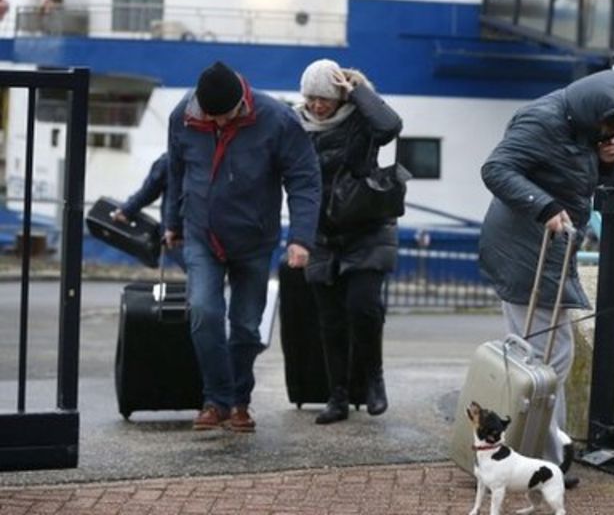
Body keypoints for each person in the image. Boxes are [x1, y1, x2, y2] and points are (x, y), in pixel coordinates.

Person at [479, 69, 614, 488]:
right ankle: (545, 457)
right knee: (547, 356)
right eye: (604, 130)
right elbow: (495, 168)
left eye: (613, 132)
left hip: (546, 249)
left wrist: (607, 162)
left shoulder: (583, 126)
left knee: (539, 356)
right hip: (524, 248)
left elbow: (574, 179)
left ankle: (540, 452)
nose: (606, 136)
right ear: (591, 113)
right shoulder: (542, 120)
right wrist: (544, 206)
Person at [164, 61, 321, 433]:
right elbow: (175, 171)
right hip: (201, 233)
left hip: (254, 239)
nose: (219, 123)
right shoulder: (183, 116)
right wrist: (172, 222)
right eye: (211, 117)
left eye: (226, 116)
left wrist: (301, 238)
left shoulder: (277, 119)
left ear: (242, 102)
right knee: (204, 312)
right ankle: (216, 400)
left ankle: (239, 401)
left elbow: (304, 179)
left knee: (247, 326)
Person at [294, 58, 403, 424]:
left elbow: (391, 125)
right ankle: (337, 396)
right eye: (311, 98)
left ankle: (374, 379)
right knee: (330, 320)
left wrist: (358, 91)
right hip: (321, 232)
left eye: (324, 98)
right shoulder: (297, 124)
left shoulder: (361, 120)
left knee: (363, 306)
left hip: (367, 227)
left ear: (340, 96)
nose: (317, 105)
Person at [113, 153, 185, 270]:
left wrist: (126, 210)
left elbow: (149, 191)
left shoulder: (170, 159)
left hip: (178, 231)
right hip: (207, 229)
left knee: (198, 272)